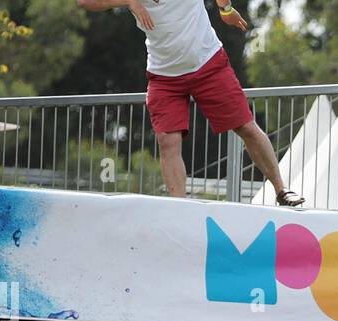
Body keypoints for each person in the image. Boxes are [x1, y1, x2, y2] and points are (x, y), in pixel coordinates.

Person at [77, 0, 304, 205]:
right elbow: (85, 2)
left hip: (209, 65)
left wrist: (225, 9)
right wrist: (130, 2)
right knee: (167, 141)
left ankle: (281, 190)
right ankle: (181, 209)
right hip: (164, 76)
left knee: (246, 127)